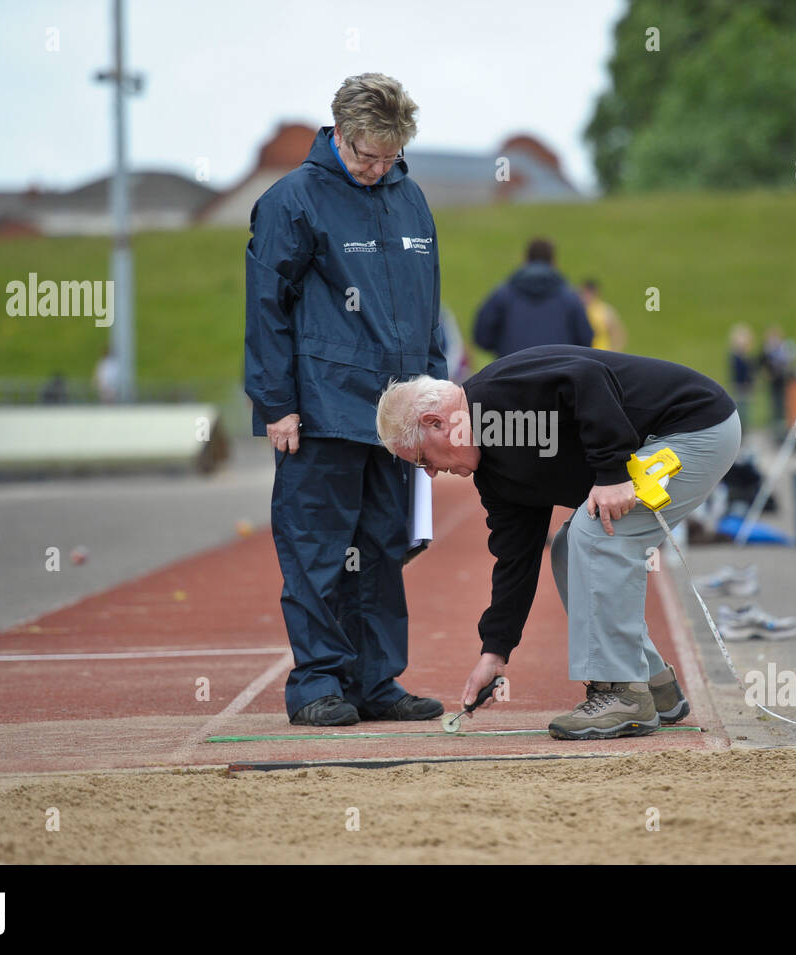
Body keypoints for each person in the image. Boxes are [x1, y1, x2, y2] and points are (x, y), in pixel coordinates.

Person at [375, 345, 742, 740]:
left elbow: (587, 377)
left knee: (596, 533)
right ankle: (653, 686)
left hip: (696, 428)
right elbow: (517, 558)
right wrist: (494, 652)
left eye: (420, 460)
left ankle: (622, 692)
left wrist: (611, 471)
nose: (429, 474)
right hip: (667, 438)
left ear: (436, 423)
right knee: (568, 547)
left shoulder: (496, 399)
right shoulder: (495, 475)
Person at [244, 73, 448, 726]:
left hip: (398, 418)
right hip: (322, 411)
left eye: (389, 156)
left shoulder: (411, 198)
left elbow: (428, 305)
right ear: (339, 133)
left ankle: (376, 680)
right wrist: (276, 402)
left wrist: (437, 396)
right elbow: (266, 309)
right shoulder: (291, 201)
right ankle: (318, 684)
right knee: (318, 551)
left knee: (383, 550)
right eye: (367, 155)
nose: (377, 168)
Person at [473, 238, 592, 358]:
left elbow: (482, 337)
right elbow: (586, 339)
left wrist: (504, 349)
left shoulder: (502, 294)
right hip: (557, 372)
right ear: (554, 262)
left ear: (525, 259)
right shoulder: (570, 298)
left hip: (512, 371)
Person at [579, 279, 627, 351]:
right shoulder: (578, 310)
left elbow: (618, 335)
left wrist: (613, 352)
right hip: (583, 354)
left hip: (601, 355)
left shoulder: (604, 311)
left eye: (587, 293)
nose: (584, 296)